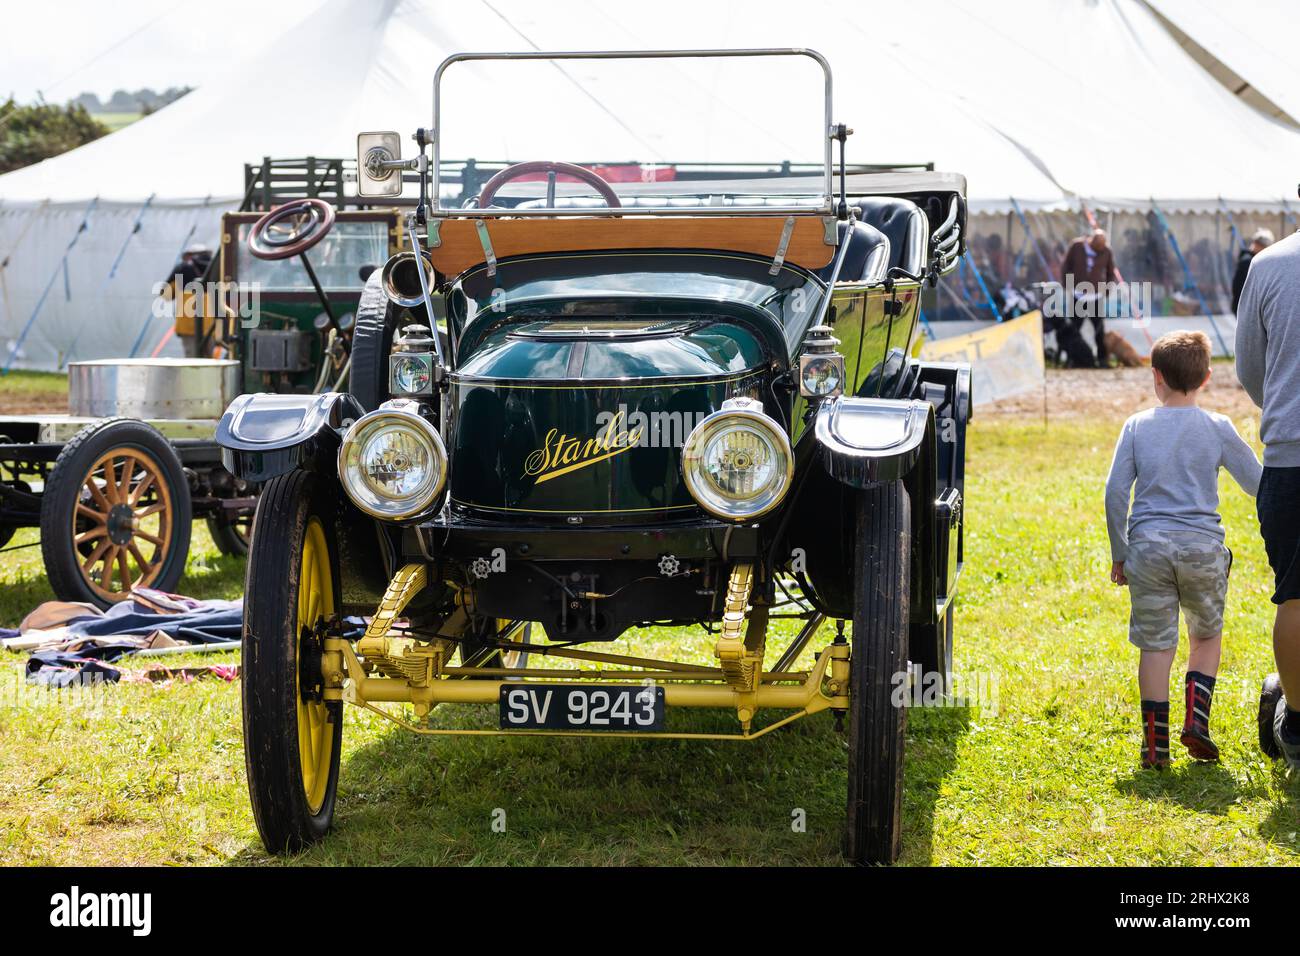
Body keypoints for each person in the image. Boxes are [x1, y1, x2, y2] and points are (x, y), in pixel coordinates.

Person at [1105, 330, 1262, 768]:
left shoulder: (1136, 426)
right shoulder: (1218, 427)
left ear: (1156, 376)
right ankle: (1197, 720)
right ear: (1207, 377)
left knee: (1156, 647)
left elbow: (1115, 493)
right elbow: (1257, 484)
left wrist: (1120, 552)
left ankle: (1155, 747)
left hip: (1148, 550)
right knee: (1206, 637)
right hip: (1202, 550)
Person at [1235, 227, 1300, 766]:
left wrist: (1281, 401)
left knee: (1295, 596)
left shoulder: (1269, 264)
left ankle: (1296, 725)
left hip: (1290, 454)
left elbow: (1250, 369)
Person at [1061, 228, 1120, 367]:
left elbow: (1111, 273)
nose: (1100, 249)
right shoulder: (1077, 246)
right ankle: (1072, 359)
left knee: (1099, 331)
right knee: (1074, 330)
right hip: (1078, 295)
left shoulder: (1106, 251)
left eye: (1102, 246)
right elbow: (1066, 266)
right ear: (1091, 241)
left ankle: (1102, 360)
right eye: (1098, 246)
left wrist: (1107, 289)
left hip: (1095, 297)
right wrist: (1067, 284)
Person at [1231, 228, 1274, 314]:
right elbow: (1244, 289)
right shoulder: (1248, 262)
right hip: (1247, 309)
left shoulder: (1251, 260)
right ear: (1257, 244)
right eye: (1265, 247)